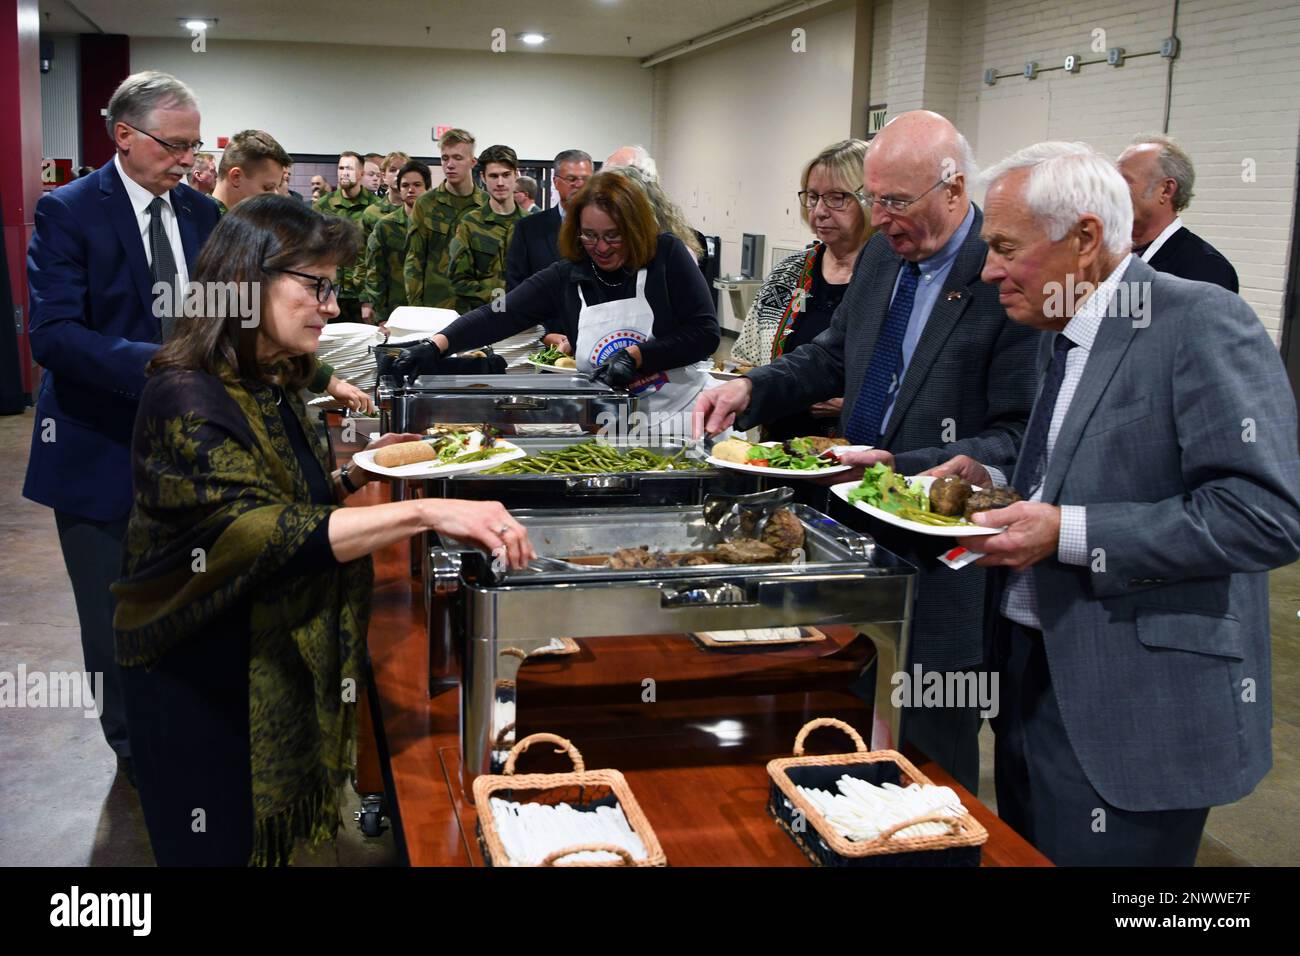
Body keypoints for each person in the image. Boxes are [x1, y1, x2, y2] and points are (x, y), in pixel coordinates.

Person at [111, 195, 535, 866]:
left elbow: (292, 498)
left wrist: (359, 476)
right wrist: (427, 510)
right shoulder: (187, 394)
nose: (332, 307)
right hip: (198, 672)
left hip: (251, 656)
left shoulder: (267, 377)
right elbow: (255, 531)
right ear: (247, 281)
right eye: (316, 286)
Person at [927, 141, 1300, 865]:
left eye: (1004, 247)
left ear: (1087, 238)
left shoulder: (1199, 322)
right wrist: (995, 469)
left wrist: (1066, 531)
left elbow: (1264, 516)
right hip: (1031, 672)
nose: (987, 269)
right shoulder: (1057, 330)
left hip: (1137, 702)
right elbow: (1085, 457)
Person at [695, 111, 1038, 791]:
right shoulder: (885, 254)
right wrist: (751, 389)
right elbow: (832, 356)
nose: (879, 218)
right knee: (843, 724)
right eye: (873, 199)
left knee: (932, 749)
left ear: (953, 188)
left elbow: (1019, 438)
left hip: (948, 563)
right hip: (852, 535)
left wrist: (903, 468)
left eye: (895, 201)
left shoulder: (1004, 276)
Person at [23, 71, 221, 784]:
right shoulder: (69, 213)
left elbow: (224, 319)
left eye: (196, 148)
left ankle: (187, 727)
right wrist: (161, 364)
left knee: (189, 604)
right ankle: (135, 756)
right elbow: (53, 335)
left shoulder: (204, 216)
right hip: (96, 448)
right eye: (176, 146)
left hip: (193, 452)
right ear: (125, 136)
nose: (188, 161)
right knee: (113, 623)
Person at [400, 170, 719, 434]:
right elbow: (500, 313)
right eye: (589, 235)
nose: (602, 247)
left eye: (613, 235)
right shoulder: (568, 275)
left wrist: (637, 356)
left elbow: (704, 333)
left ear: (635, 230)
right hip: (614, 426)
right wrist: (436, 344)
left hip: (685, 416)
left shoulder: (666, 255)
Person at [729, 140, 873, 440]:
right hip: (779, 447)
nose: (819, 211)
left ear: (868, 200)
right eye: (812, 197)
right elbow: (746, 357)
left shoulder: (889, 277)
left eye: (836, 198)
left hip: (856, 454)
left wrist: (854, 405)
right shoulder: (789, 273)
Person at [1116, 133, 1238, 292]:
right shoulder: (1106, 255)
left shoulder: (1207, 269)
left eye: (1124, 182)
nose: (1112, 191)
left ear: (1166, 190)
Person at [405, 128, 485, 308]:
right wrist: (415, 309)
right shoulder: (425, 204)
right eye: (445, 158)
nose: (449, 164)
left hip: (476, 307)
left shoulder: (487, 205)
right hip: (435, 307)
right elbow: (414, 261)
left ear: (472, 162)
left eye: (457, 158)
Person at [448, 144, 525, 312]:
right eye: (493, 176)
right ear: (483, 177)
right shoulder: (470, 223)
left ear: (516, 175)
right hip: (481, 317)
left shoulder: (532, 223)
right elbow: (459, 279)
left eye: (506, 175)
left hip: (526, 317)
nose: (500, 183)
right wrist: (499, 300)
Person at [504, 148, 592, 290]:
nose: (580, 184)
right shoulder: (529, 228)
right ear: (556, 182)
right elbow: (515, 282)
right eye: (572, 179)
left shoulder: (606, 228)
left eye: (586, 179)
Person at [363, 158, 429, 323]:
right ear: (399, 189)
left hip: (433, 311)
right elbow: (375, 274)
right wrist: (381, 317)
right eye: (405, 185)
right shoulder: (385, 226)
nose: (411, 190)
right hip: (396, 313)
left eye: (417, 185)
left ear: (428, 189)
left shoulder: (439, 226)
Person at [313, 150, 375, 322]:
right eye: (341, 168)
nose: (344, 172)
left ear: (361, 173)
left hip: (361, 295)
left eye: (349, 168)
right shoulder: (323, 206)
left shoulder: (375, 207)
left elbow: (376, 257)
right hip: (329, 290)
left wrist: (367, 298)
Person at [211, 129, 292, 216]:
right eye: (268, 188)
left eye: (277, 187)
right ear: (236, 177)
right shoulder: (205, 221)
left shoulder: (241, 219)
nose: (275, 196)